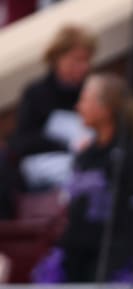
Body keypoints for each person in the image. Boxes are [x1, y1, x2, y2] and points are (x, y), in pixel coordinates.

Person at [37, 74, 133, 284]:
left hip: (114, 267)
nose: (78, 107)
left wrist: (128, 263)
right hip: (75, 261)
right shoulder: (86, 156)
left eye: (85, 100)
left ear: (105, 108)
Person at [8, 25, 95, 191]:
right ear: (57, 59)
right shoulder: (37, 93)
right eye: (76, 60)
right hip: (48, 169)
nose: (83, 67)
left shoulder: (93, 89)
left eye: (87, 60)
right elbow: (22, 141)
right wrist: (66, 144)